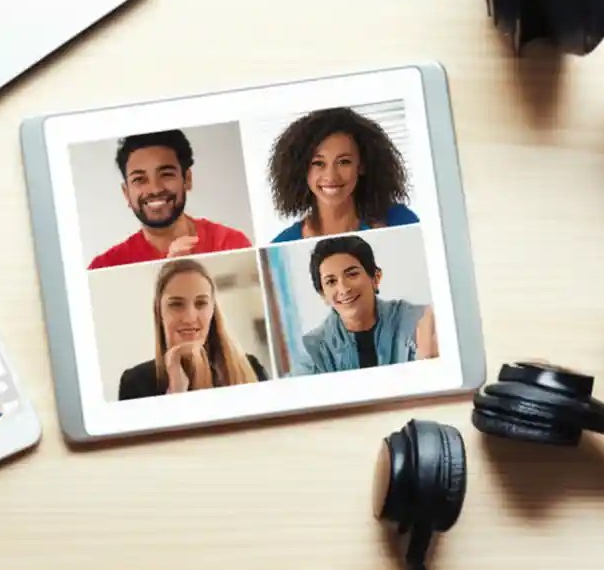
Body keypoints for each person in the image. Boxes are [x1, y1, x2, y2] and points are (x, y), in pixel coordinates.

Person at [90, 129, 253, 269]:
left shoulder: (229, 244)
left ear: (187, 179)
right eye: (139, 179)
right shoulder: (104, 267)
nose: (155, 189)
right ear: (126, 193)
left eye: (166, 174)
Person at [119, 258, 269, 400]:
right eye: (176, 304)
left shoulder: (252, 369)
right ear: (159, 311)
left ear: (213, 310)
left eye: (201, 303)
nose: (190, 317)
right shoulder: (135, 384)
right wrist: (176, 393)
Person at [291, 235, 437, 375]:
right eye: (331, 282)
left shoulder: (417, 321)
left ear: (375, 277)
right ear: (322, 294)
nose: (344, 289)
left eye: (352, 274)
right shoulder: (313, 350)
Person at [268, 107, 419, 243]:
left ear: (362, 166)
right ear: (301, 169)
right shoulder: (283, 244)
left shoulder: (400, 221)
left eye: (344, 162)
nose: (331, 176)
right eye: (318, 163)